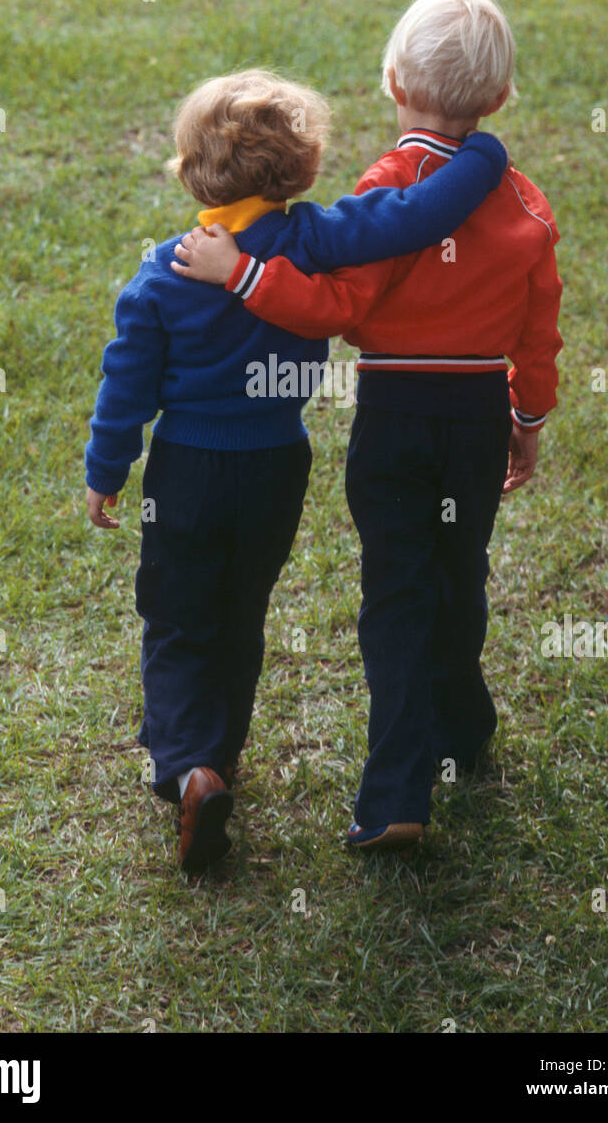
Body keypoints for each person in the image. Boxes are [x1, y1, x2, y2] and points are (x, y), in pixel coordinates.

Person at [172, 0, 563, 852]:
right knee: (459, 574)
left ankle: (395, 797)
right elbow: (540, 332)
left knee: (397, 593)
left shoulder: (389, 184)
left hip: (393, 414)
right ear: (499, 97)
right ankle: (466, 732)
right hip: (474, 414)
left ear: (392, 81)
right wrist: (527, 419)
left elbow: (335, 307)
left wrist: (241, 274)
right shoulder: (525, 200)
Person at [85, 66, 507, 872]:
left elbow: (126, 387)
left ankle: (188, 767)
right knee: (240, 614)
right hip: (277, 465)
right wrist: (482, 156)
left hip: (187, 469)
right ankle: (218, 756)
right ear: (304, 168)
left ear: (188, 171)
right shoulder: (313, 239)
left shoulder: (162, 275)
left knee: (177, 619)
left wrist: (107, 469)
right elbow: (417, 216)